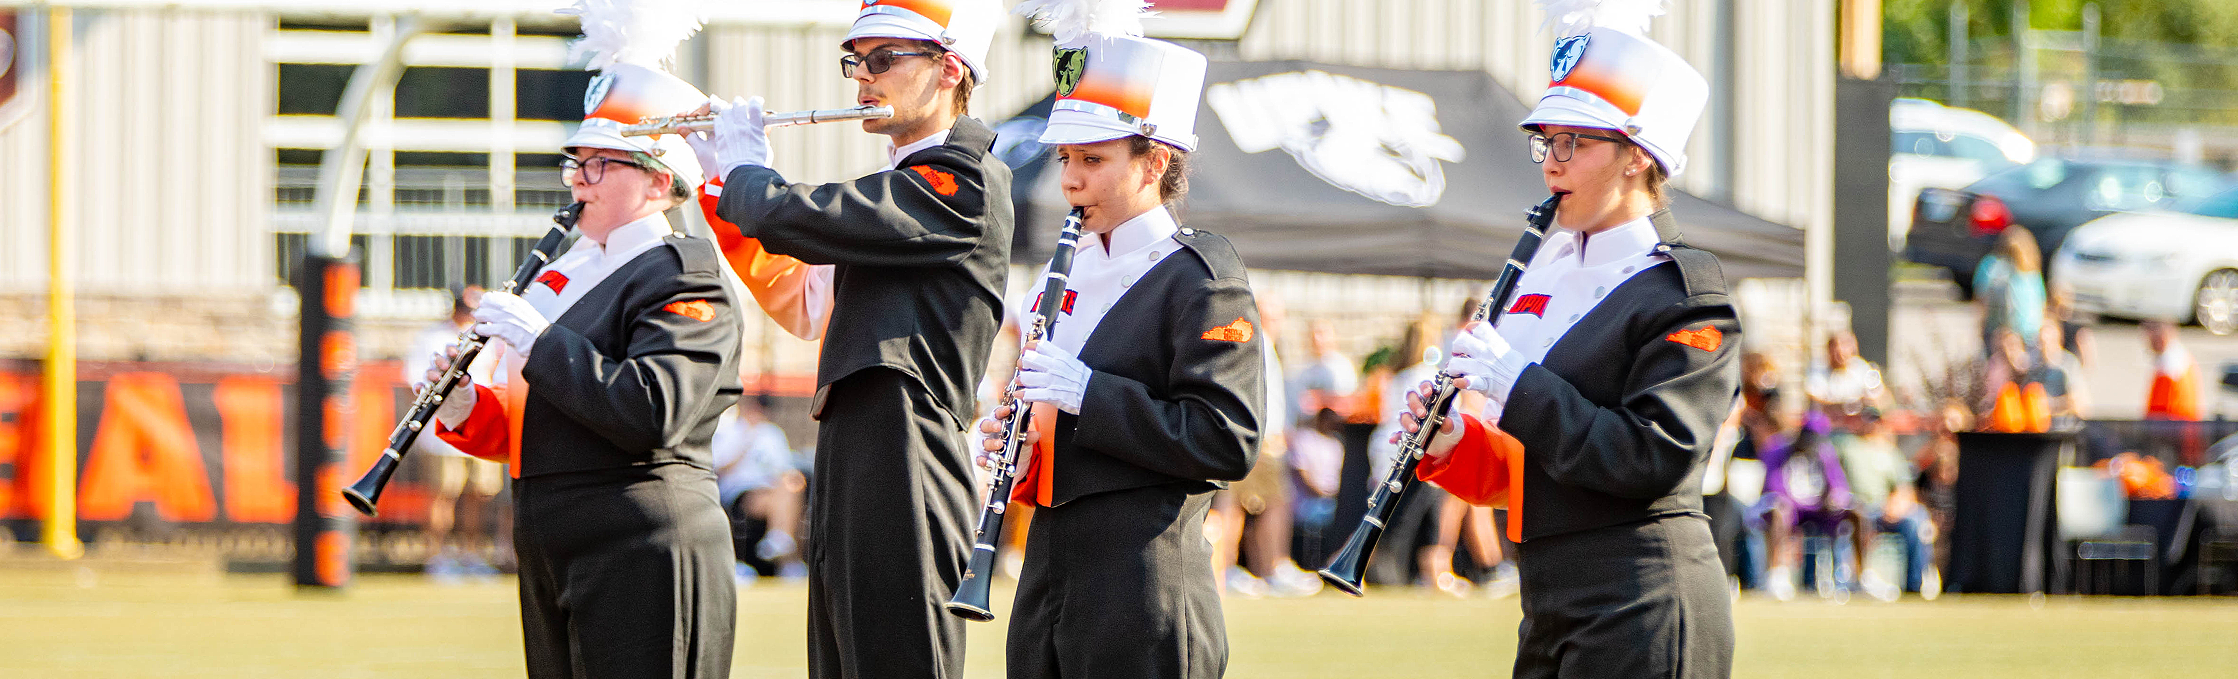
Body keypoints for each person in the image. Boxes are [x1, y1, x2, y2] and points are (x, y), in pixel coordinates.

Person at [1392, 4, 1737, 674]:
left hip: (1644, 597)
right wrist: (1453, 446)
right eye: (1546, 141)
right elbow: (1535, 472)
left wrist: (1517, 382)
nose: (1551, 163)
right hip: (1549, 598)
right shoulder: (1541, 273)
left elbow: (1651, 457)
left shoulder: (1683, 288)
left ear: (1638, 154)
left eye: (1574, 142)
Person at [692, 1, 1009, 676]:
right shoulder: (895, 191)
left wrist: (750, 177)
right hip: (857, 444)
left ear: (950, 69)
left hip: (908, 442)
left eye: (885, 59)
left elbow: (821, 214)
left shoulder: (963, 178)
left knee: (898, 655)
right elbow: (805, 302)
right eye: (856, 61)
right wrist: (721, 181)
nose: (863, 77)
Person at [426, 11, 740, 675]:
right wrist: (459, 404)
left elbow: (650, 409)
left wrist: (540, 342)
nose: (577, 179)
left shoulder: (683, 271)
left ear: (661, 180)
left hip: (642, 541)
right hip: (551, 542)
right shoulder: (559, 276)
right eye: (575, 162)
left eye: (601, 163)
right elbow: (536, 422)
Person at [980, 5, 1260, 674]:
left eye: (1093, 158)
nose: (1069, 178)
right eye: (1066, 157)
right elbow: (1077, 442)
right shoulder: (1067, 265)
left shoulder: (1201, 275)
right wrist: (1026, 452)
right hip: (1052, 576)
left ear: (1154, 160)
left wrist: (1084, 393)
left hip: (1146, 584)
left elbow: (1227, 439)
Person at [405, 285, 505, 581]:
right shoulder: (432, 338)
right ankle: (436, 557)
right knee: (443, 494)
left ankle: (470, 555)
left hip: (481, 426)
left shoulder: (491, 339)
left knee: (480, 495)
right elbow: (416, 380)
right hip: (444, 429)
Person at [710, 392, 806, 580]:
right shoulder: (728, 431)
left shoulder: (772, 433)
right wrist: (746, 440)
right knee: (782, 496)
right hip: (739, 493)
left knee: (791, 487)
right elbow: (720, 468)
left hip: (772, 491)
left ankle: (779, 540)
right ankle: (785, 552)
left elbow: (784, 469)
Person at [1973, 226, 2047, 353]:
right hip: (2029, 332)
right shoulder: (2031, 272)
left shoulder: (1992, 265)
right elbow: (2042, 303)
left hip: (1999, 330)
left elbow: (1980, 298)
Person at [2144, 319, 2202, 421]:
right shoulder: (2180, 356)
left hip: (2173, 430)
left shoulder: (2170, 366)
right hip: (2179, 427)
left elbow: (2161, 411)